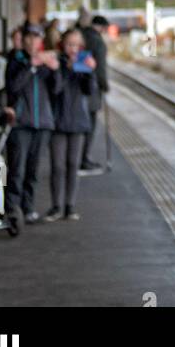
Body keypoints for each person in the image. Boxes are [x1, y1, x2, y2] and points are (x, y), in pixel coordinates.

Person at [5, 24, 60, 227]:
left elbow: (57, 90)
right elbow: (13, 87)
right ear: (23, 40)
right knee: (16, 169)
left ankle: (28, 208)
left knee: (33, 170)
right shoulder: (15, 60)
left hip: (43, 123)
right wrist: (31, 65)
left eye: (37, 38)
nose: (33, 42)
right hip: (21, 123)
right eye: (29, 38)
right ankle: (12, 208)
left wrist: (55, 71)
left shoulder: (46, 62)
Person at [47, 28, 95, 220]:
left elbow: (90, 91)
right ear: (62, 45)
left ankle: (70, 206)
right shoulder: (56, 62)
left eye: (76, 45)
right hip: (57, 120)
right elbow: (55, 89)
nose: (73, 49)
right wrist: (66, 68)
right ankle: (55, 205)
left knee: (73, 164)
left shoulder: (84, 63)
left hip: (78, 120)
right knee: (57, 165)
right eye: (69, 44)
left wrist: (90, 72)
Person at [78, 13, 109, 174]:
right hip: (92, 88)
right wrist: (104, 85)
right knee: (89, 125)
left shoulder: (80, 36)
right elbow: (100, 68)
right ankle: (84, 159)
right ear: (102, 27)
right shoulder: (98, 42)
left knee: (77, 125)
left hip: (76, 87)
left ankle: (77, 158)